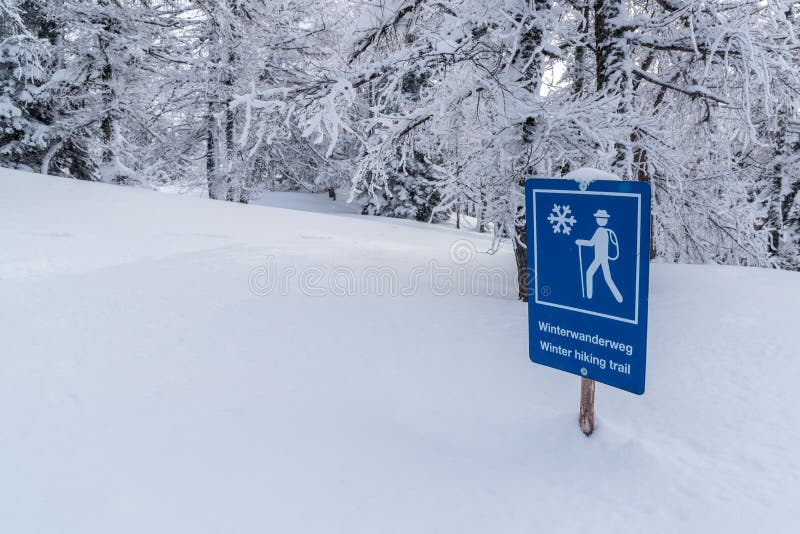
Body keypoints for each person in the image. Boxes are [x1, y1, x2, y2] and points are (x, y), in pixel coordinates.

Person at [575, 209, 623, 303]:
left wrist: (580, 242)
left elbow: (591, 243)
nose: (599, 220)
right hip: (601, 259)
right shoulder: (605, 232)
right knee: (606, 278)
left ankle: (589, 296)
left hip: (600, 259)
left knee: (591, 274)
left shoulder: (600, 231)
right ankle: (618, 297)